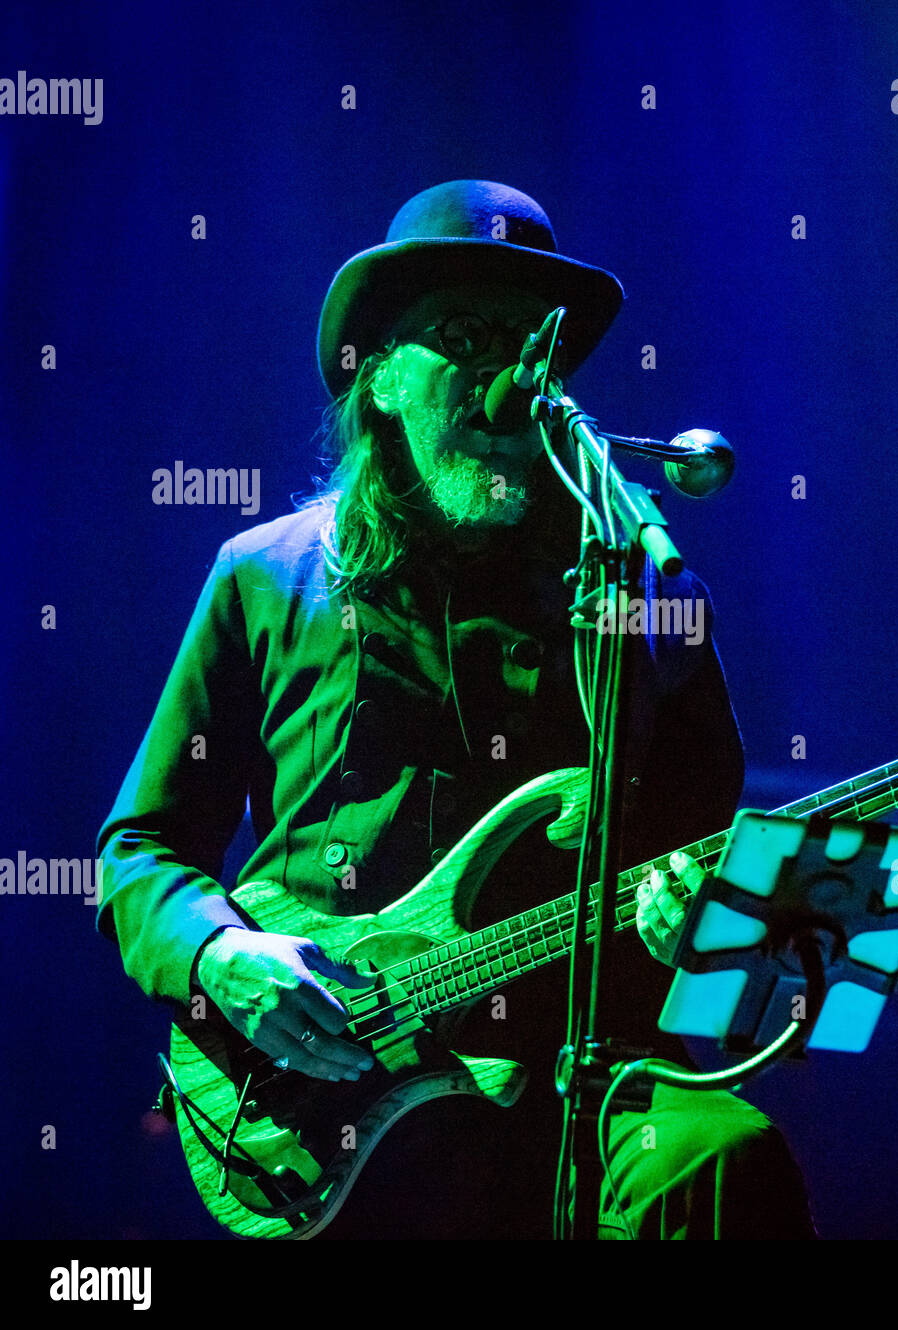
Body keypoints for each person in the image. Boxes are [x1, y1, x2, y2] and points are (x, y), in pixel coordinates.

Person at [96, 179, 816, 1239]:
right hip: (327, 1087)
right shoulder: (267, 578)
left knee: (721, 1161)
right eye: (466, 335)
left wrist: (691, 916)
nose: (506, 376)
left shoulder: (640, 590)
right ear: (380, 374)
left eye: (535, 346)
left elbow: (705, 844)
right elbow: (143, 846)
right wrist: (220, 956)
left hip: (575, 1068)